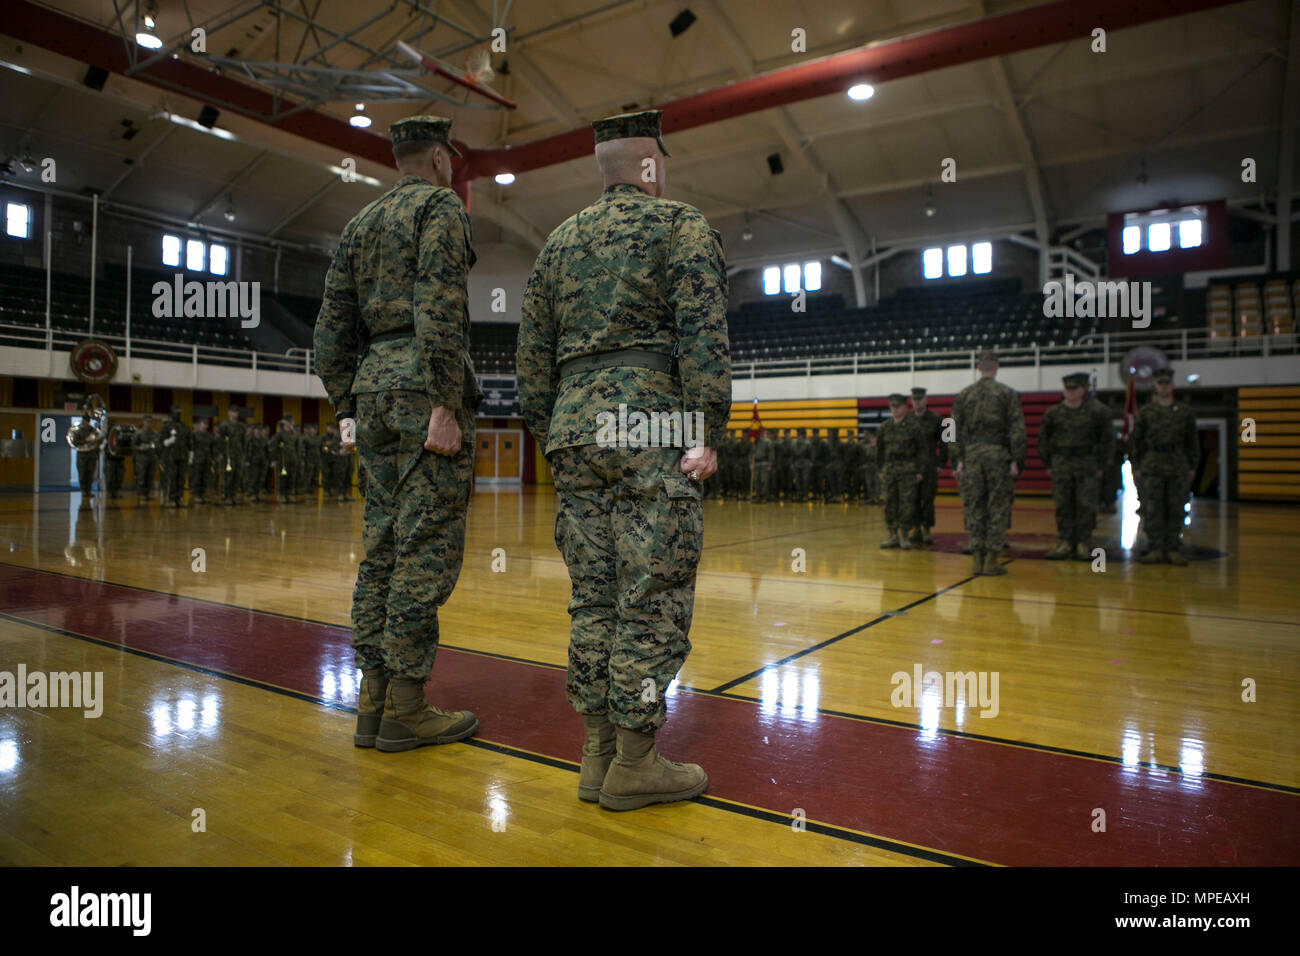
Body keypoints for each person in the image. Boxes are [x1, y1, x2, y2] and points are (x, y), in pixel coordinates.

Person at [516, 109, 730, 811]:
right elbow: (703, 331)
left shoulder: (557, 242)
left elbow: (530, 359)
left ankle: (597, 754)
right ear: (653, 166)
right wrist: (706, 426)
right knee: (652, 591)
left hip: (575, 427)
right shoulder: (681, 226)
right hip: (649, 421)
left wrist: (553, 428)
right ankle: (635, 761)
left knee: (594, 595)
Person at [315, 114, 481, 751]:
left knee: (381, 546)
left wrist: (348, 408)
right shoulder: (440, 208)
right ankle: (407, 708)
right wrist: (443, 399)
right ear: (441, 158)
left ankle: (372, 700)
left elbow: (329, 332)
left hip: (373, 389)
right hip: (420, 391)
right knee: (424, 547)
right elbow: (441, 304)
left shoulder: (360, 224)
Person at [952, 350, 1025, 575]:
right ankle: (992, 560)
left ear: (978, 368)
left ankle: (977, 559)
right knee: (997, 507)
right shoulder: (1007, 394)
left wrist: (957, 459)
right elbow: (1018, 431)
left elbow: (952, 430)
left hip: (972, 457)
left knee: (974, 506)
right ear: (996, 367)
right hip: (998, 457)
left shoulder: (963, 395)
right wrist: (1016, 460)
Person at [1039, 372, 1115, 560]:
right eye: (1067, 389)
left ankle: (1084, 542)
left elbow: (1108, 440)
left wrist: (1102, 465)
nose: (1070, 393)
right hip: (1061, 463)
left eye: (1075, 389)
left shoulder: (1098, 412)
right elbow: (1044, 440)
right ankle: (1065, 541)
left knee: (1086, 504)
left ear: (1083, 390)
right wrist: (1048, 463)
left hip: (1087, 463)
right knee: (1063, 504)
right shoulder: (1053, 413)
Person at [1131, 367, 1198, 566]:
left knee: (1176, 507)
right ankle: (1155, 548)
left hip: (1177, 464)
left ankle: (1172, 548)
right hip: (1152, 464)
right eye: (1160, 383)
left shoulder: (1184, 412)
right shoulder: (1146, 412)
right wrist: (1136, 464)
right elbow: (1137, 440)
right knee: (1153, 508)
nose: (1164, 387)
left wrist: (1192, 466)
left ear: (1172, 386)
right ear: (1155, 386)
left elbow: (1192, 441)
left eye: (1167, 383)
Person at [876, 394, 926, 548]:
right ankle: (892, 535)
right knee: (889, 503)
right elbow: (880, 450)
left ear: (905, 407)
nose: (895, 409)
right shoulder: (885, 427)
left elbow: (922, 450)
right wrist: (880, 469)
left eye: (898, 406)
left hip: (908, 469)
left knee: (907, 504)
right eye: (892, 406)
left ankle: (904, 535)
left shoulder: (914, 426)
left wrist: (920, 471)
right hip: (890, 469)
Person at [909, 387, 946, 546]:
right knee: (913, 498)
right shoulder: (906, 420)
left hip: (930, 466)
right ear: (912, 401)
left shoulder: (938, 419)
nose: (917, 402)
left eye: (920, 399)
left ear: (926, 400)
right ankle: (916, 528)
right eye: (915, 399)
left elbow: (947, 443)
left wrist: (941, 463)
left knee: (928, 499)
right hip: (911, 466)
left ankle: (927, 530)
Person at [158, 405, 191, 508]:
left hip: (183, 456)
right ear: (171, 413)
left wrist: (191, 455)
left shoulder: (185, 427)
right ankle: (171, 499)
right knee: (171, 478)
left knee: (181, 478)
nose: (178, 414)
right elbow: (160, 442)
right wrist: (167, 441)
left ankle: (178, 499)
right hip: (170, 457)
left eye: (179, 412)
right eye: (176, 412)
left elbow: (189, 442)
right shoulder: (166, 426)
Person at [217, 407, 247, 505]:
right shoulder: (224, 425)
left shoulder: (241, 426)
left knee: (237, 475)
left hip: (238, 454)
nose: (235, 414)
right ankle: (227, 496)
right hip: (228, 454)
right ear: (229, 412)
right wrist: (221, 453)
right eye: (233, 412)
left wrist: (244, 454)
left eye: (237, 412)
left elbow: (244, 441)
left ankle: (233, 495)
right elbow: (220, 440)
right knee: (228, 475)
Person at [190, 418, 216, 504]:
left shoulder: (210, 435)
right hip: (198, 459)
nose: (205, 425)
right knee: (197, 477)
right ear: (199, 424)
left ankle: (203, 494)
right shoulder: (194, 435)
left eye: (206, 424)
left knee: (206, 478)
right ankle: (197, 495)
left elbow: (212, 448)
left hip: (207, 459)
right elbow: (191, 447)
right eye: (203, 423)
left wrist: (213, 458)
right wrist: (190, 458)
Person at [134, 415, 157, 501]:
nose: (148, 423)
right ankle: (141, 494)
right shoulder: (138, 433)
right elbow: (133, 445)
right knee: (141, 476)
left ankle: (147, 494)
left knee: (149, 477)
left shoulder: (154, 433)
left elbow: (156, 444)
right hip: (141, 459)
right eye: (147, 422)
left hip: (151, 458)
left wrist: (151, 446)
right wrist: (139, 447)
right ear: (143, 422)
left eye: (150, 422)